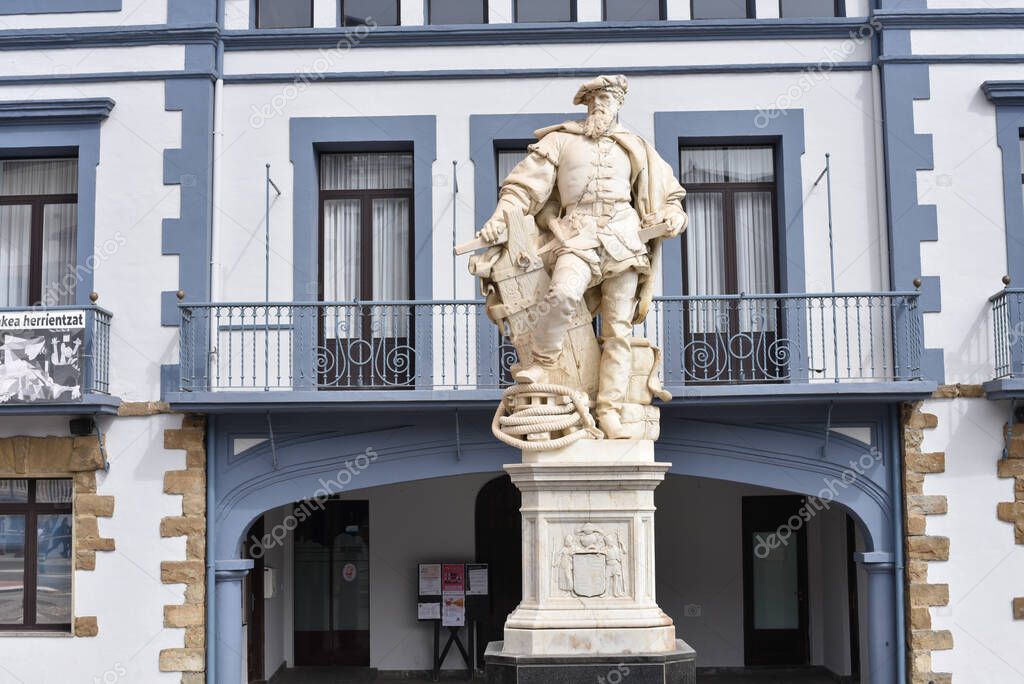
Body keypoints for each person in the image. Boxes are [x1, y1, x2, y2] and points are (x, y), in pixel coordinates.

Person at [477, 75, 687, 438]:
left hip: (625, 237)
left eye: (609, 99)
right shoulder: (559, 142)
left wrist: (673, 218)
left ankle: (609, 411)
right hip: (577, 234)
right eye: (597, 99)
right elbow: (522, 189)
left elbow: (671, 199)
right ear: (586, 102)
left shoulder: (636, 147)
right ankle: (543, 365)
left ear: (619, 104)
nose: (602, 106)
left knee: (617, 331)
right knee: (562, 293)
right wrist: (499, 220)